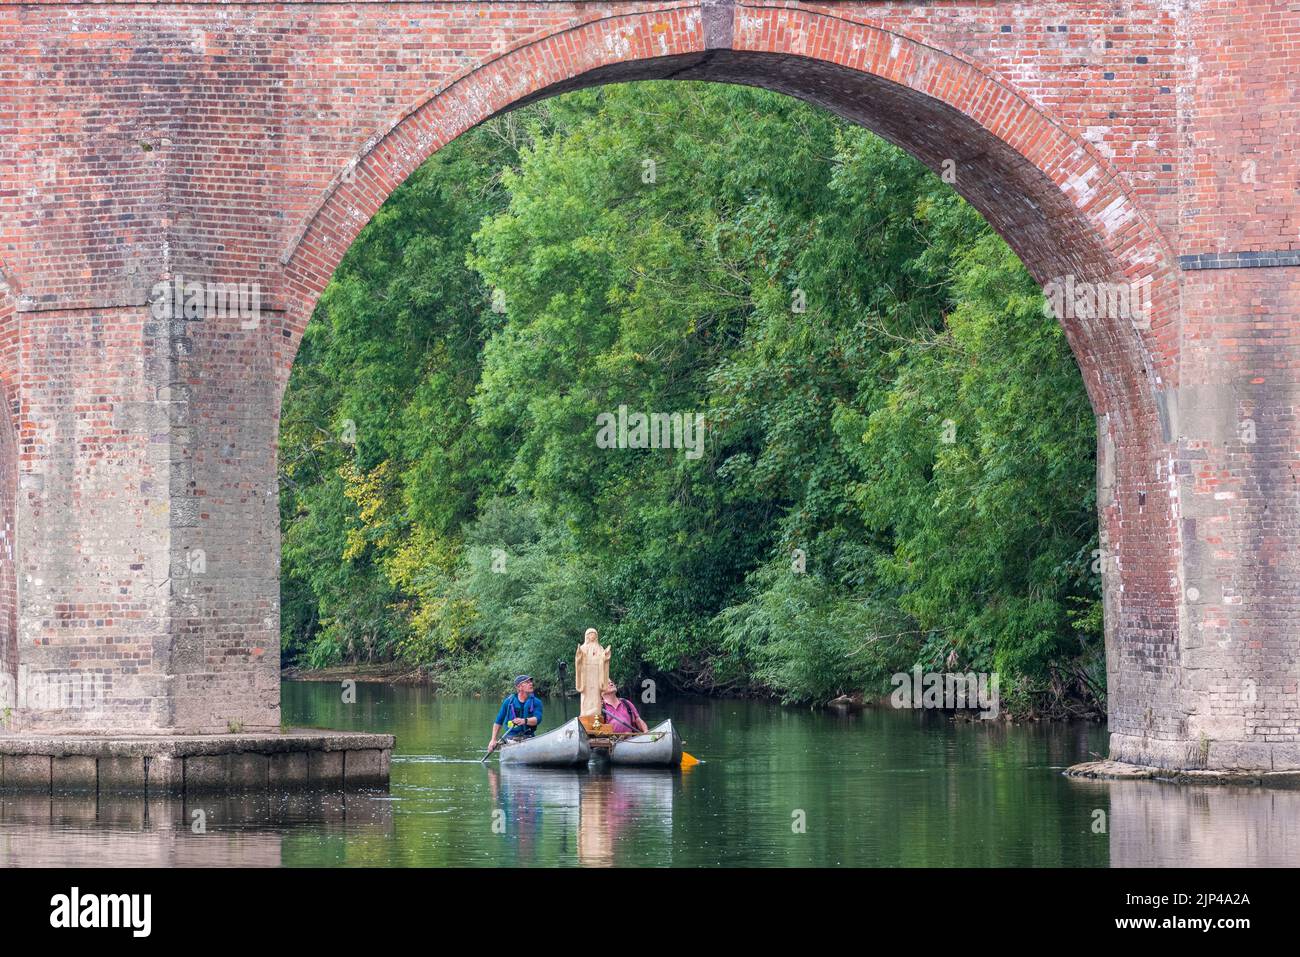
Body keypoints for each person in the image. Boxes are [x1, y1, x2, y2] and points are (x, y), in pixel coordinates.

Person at [489, 675, 543, 752]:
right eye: (527, 682)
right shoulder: (508, 702)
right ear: (519, 687)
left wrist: (524, 721)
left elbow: (538, 719)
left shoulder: (536, 702)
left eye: (531, 682)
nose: (531, 684)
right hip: (511, 738)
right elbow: (498, 722)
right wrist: (493, 740)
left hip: (529, 737)